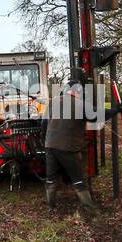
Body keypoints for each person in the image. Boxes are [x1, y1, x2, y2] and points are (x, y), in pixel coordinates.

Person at [43, 71, 101, 217]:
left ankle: (51, 207)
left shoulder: (53, 102)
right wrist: (117, 109)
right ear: (78, 92)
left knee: (51, 179)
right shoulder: (79, 104)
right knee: (78, 180)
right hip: (67, 148)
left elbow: (43, 123)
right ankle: (90, 209)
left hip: (50, 145)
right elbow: (97, 116)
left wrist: (47, 138)